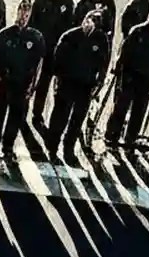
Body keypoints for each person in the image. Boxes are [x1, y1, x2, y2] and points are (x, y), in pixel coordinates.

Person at [105, 0, 149, 147]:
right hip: (131, 76)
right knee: (121, 107)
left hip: (148, 79)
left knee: (139, 111)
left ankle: (130, 138)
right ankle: (112, 135)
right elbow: (125, 53)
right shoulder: (137, 31)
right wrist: (118, 69)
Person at [45, 10, 110, 162]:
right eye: (89, 19)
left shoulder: (101, 40)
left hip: (86, 86)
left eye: (95, 21)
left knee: (77, 119)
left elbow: (103, 63)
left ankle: (69, 149)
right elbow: (58, 58)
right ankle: (52, 148)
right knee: (60, 117)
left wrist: (99, 82)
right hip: (67, 83)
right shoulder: (70, 36)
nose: (90, 23)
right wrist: (58, 79)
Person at [0, 0, 44, 159]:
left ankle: (7, 147)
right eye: (21, 12)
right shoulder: (4, 35)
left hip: (22, 85)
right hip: (4, 82)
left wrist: (32, 87)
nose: (23, 17)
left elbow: (38, 64)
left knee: (15, 117)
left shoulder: (36, 38)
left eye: (26, 14)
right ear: (17, 11)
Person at [29, 0, 74, 123]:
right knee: (36, 82)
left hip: (57, 53)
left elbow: (70, 31)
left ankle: (47, 115)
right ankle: (30, 111)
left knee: (52, 86)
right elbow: (31, 27)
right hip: (41, 51)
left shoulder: (68, 4)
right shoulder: (40, 3)